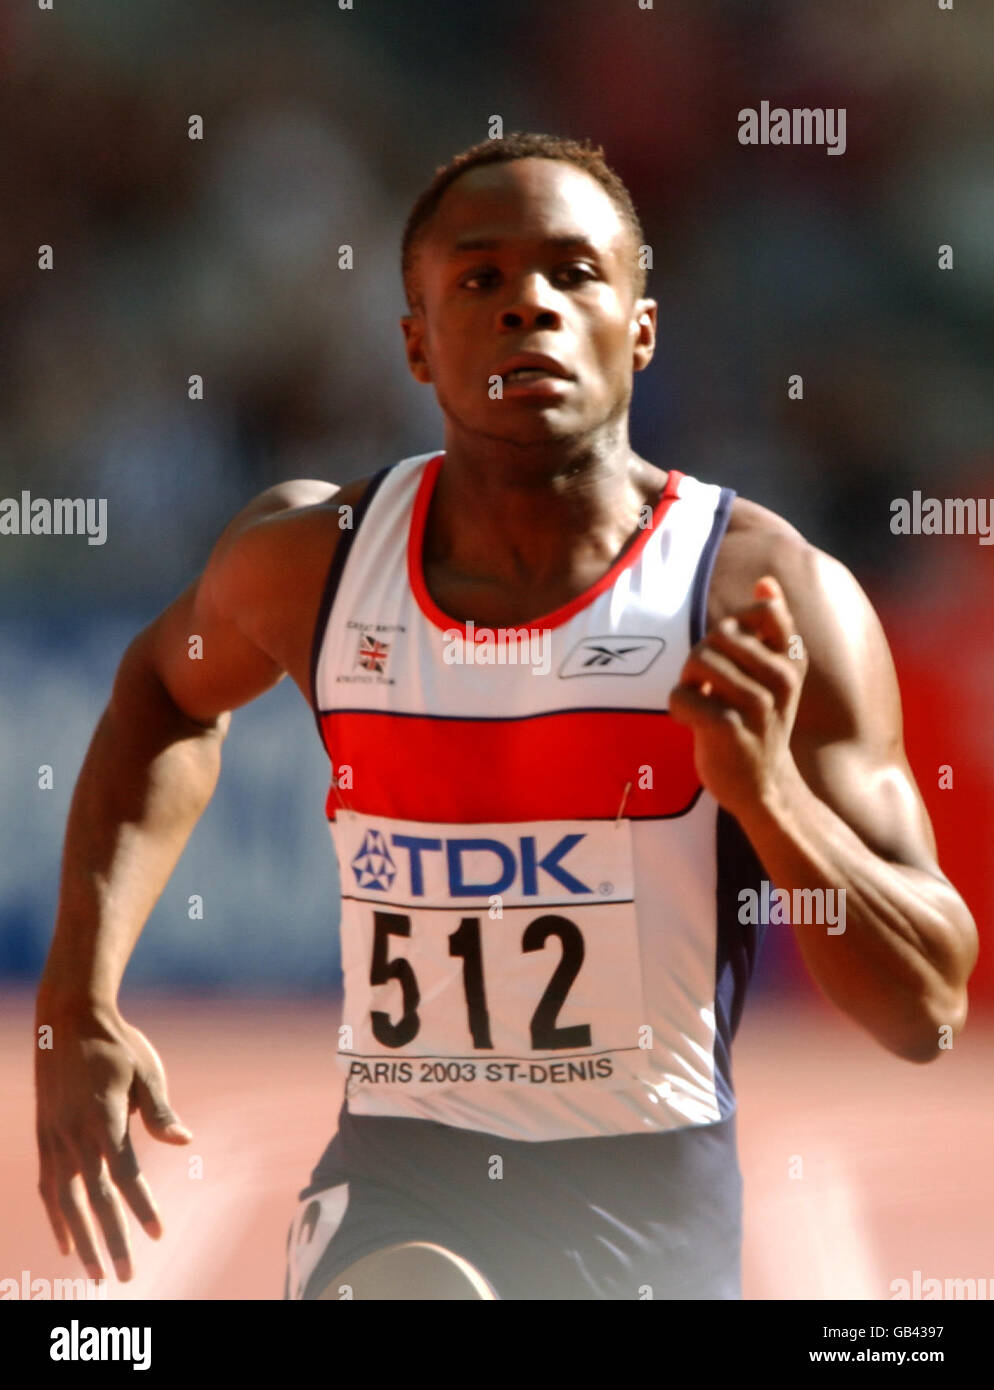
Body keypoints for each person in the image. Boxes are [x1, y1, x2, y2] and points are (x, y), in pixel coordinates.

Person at [35, 132, 978, 1301]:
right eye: (478, 277)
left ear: (639, 327)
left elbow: (927, 1010)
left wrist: (768, 797)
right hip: (399, 1171)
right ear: (416, 345)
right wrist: (77, 1002)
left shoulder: (761, 596)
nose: (528, 304)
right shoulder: (310, 566)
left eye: (574, 273)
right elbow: (159, 694)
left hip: (648, 1197)